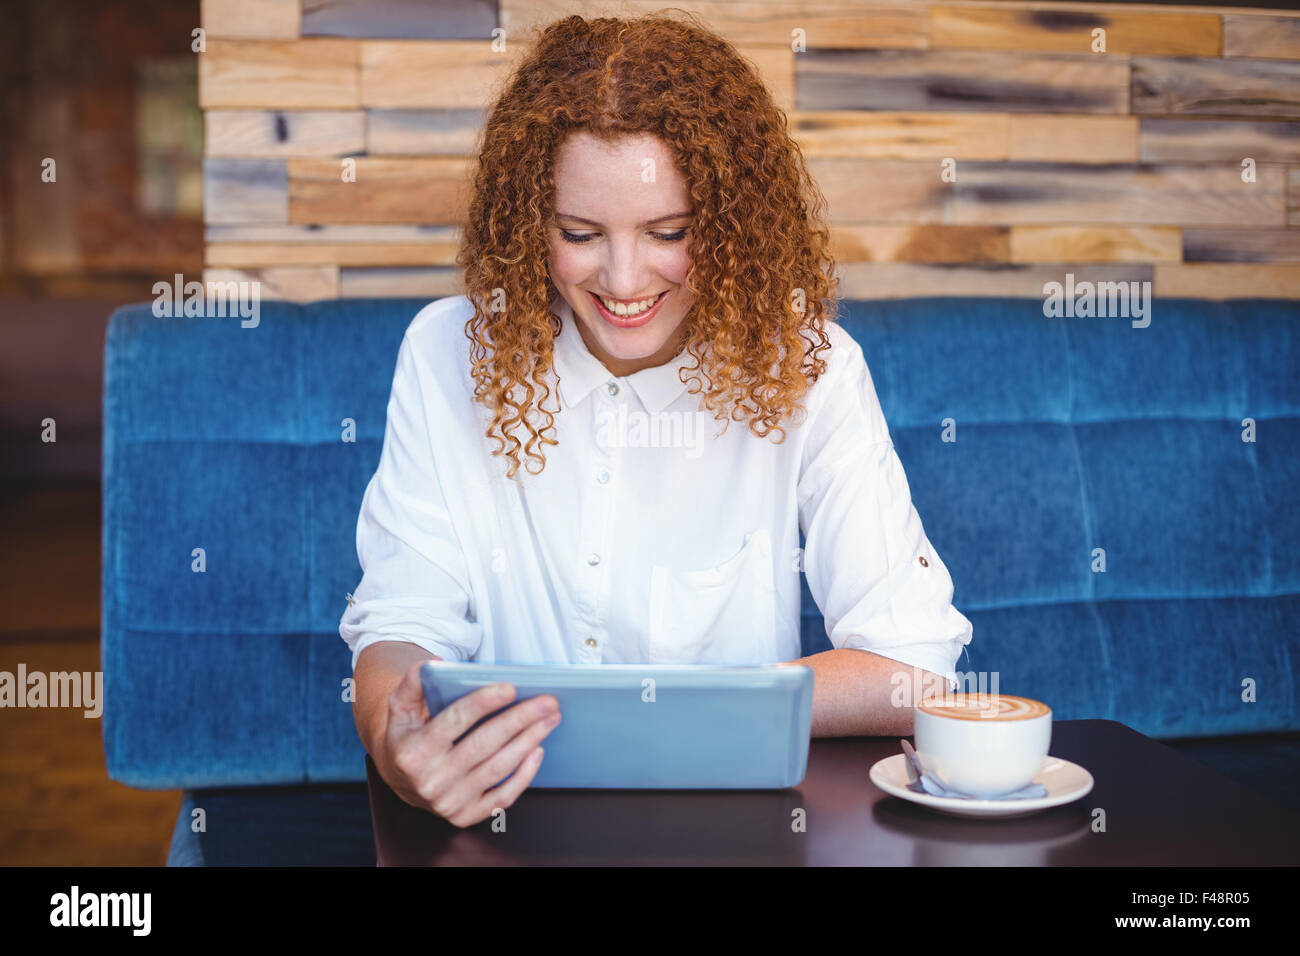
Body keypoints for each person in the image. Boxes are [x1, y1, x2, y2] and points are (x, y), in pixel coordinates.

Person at [340, 12, 973, 828]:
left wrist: (698, 710)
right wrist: (400, 752)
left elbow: (913, 662)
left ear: (733, 221)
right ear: (528, 222)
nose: (625, 278)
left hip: (734, 830)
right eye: (579, 234)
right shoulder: (445, 352)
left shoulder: (812, 366)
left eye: (669, 233)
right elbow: (400, 625)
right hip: (507, 825)